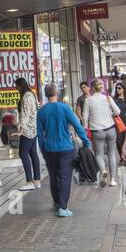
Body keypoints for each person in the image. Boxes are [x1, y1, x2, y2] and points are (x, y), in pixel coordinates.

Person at [37, 84, 91, 216]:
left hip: (49, 149)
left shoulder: (42, 111)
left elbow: (39, 133)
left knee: (53, 176)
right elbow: (77, 125)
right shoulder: (65, 108)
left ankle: (56, 202)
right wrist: (86, 141)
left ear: (46, 94)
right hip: (66, 148)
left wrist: (43, 149)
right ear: (57, 93)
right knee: (65, 177)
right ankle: (63, 207)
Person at [81, 79, 122, 186]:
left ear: (93, 88)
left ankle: (103, 171)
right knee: (111, 154)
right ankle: (113, 180)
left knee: (99, 154)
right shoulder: (108, 98)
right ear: (102, 87)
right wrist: (110, 114)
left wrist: (85, 129)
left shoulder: (88, 100)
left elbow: (85, 117)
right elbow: (118, 111)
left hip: (97, 131)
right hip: (111, 129)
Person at [14, 77, 42, 192]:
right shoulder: (32, 94)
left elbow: (25, 114)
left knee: (23, 153)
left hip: (27, 130)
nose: (16, 89)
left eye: (17, 86)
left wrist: (21, 129)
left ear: (20, 86)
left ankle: (29, 181)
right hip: (34, 128)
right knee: (33, 153)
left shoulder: (25, 96)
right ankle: (37, 180)